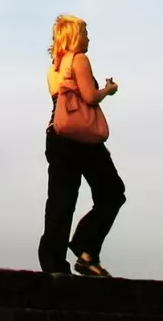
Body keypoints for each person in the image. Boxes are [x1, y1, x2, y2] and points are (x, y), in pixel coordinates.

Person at [37, 14, 125, 277]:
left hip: (57, 135)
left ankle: (53, 262)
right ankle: (86, 246)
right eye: (85, 32)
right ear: (75, 35)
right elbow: (88, 96)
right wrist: (108, 90)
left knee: (61, 201)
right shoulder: (79, 59)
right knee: (112, 192)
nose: (88, 38)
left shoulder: (54, 67)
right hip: (82, 139)